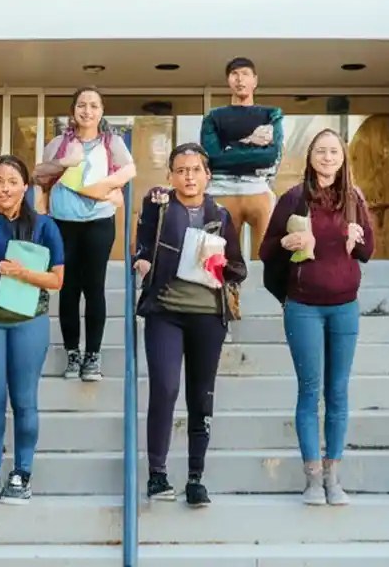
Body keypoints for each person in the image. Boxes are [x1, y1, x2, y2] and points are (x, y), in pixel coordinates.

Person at [259, 129, 373, 506]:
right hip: (303, 306)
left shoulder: (353, 198)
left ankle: (333, 478)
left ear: (343, 157)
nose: (327, 157)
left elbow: (368, 250)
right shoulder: (294, 198)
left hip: (345, 306)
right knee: (310, 391)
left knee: (337, 391)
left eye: (333, 151)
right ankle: (311, 480)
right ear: (310, 157)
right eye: (320, 151)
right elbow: (266, 249)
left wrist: (358, 238)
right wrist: (285, 243)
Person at [134, 143, 247, 508]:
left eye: (196, 169)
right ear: (170, 176)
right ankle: (158, 473)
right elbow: (141, 247)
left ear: (207, 175)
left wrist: (219, 265)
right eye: (181, 170)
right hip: (165, 310)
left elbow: (238, 267)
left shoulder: (221, 214)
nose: (188, 176)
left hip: (208, 315)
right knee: (165, 388)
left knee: (201, 396)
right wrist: (142, 264)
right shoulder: (159, 206)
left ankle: (196, 477)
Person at [0, 155, 65, 505]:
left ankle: (22, 472)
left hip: (28, 320)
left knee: (24, 399)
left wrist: (23, 274)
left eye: (12, 181)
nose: (5, 188)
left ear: (24, 186)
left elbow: (57, 280)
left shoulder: (45, 226)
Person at [33, 87, 136, 381]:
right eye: (81, 105)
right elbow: (39, 175)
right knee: (67, 289)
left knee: (94, 288)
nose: (87, 111)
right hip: (62, 223)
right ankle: (72, 354)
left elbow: (129, 171)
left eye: (93, 105)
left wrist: (107, 188)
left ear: (101, 111)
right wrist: (66, 162)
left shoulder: (111, 142)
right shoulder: (58, 143)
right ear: (73, 110)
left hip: (98, 223)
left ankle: (93, 355)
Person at [200, 57, 284, 260]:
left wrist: (229, 149)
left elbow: (270, 156)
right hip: (222, 189)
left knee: (270, 256)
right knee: (223, 259)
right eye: (234, 74)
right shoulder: (214, 117)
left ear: (255, 80)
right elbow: (212, 157)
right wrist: (250, 142)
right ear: (228, 80)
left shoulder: (271, 114)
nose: (240, 80)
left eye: (245, 74)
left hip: (258, 187)